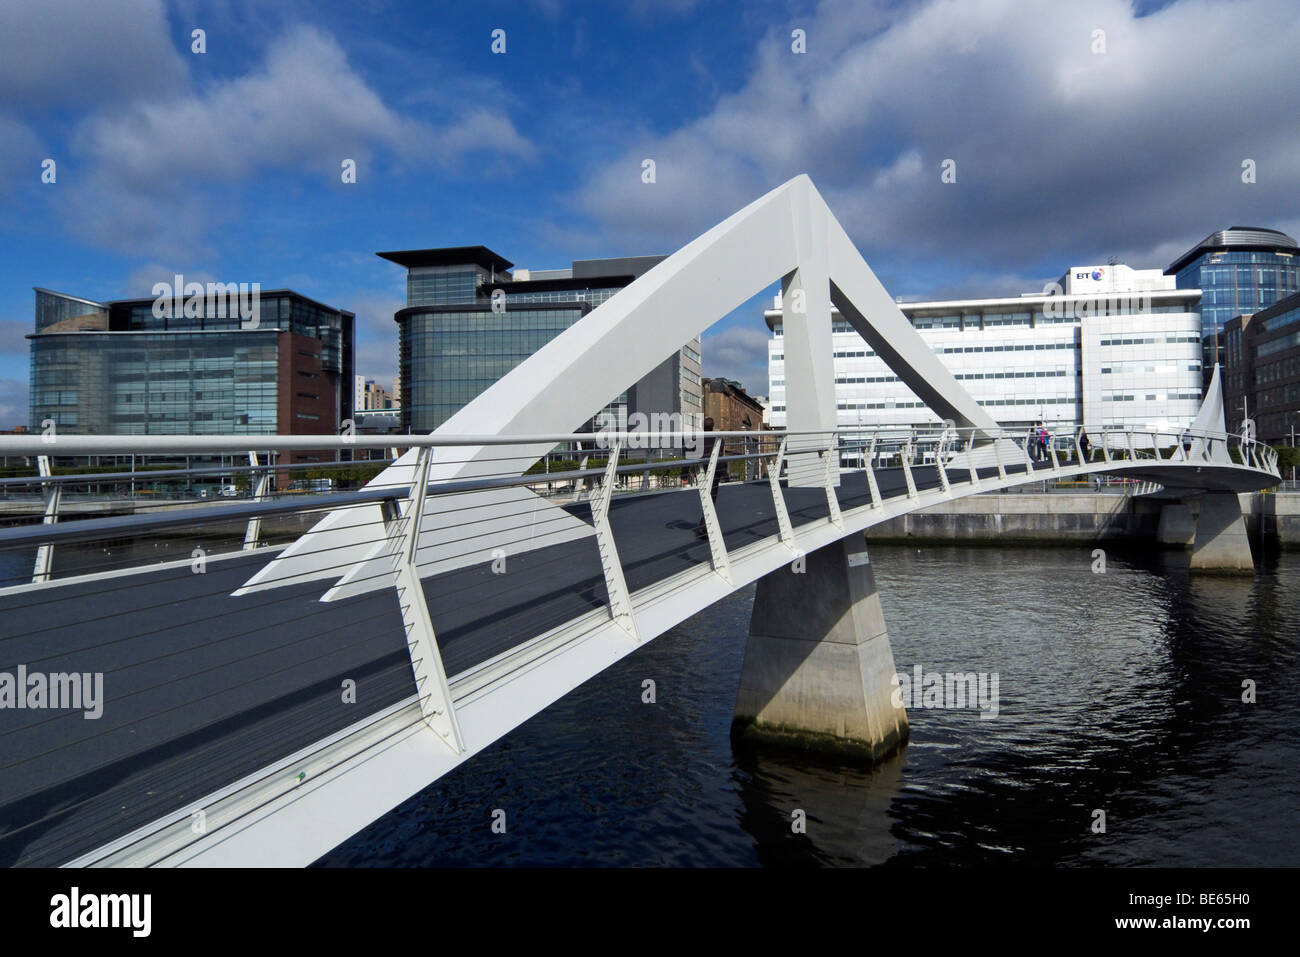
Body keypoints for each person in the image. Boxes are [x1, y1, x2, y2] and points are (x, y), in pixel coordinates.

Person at [695, 417, 721, 536]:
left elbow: (690, 455)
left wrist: (684, 472)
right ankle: (704, 527)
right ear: (713, 427)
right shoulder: (718, 437)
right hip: (714, 470)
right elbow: (720, 456)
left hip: (701, 470)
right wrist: (725, 473)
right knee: (711, 497)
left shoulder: (697, 438)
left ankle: (704, 525)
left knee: (705, 497)